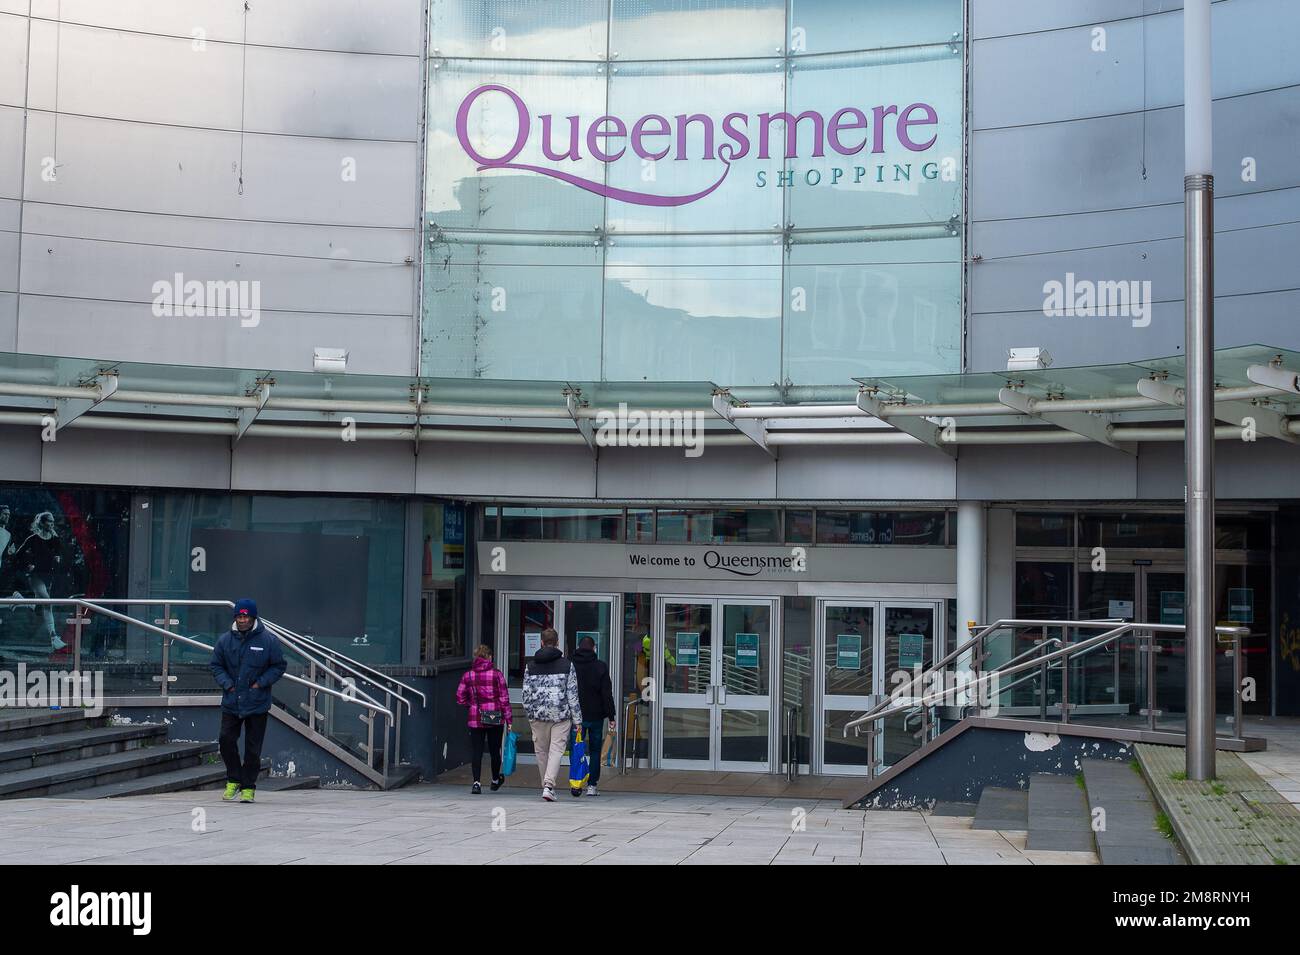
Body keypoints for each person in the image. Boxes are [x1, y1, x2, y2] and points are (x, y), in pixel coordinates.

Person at [209, 599, 286, 803]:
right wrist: (228, 685)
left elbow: (278, 666)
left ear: (253, 618)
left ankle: (248, 787)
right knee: (226, 740)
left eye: (246, 617)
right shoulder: (225, 640)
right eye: (239, 616)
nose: (243, 620)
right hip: (232, 700)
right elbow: (216, 665)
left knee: (253, 748)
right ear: (235, 617)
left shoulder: (268, 640)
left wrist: (260, 684)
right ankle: (233, 779)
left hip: (257, 702)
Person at [521, 628, 581, 802]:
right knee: (556, 751)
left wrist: (530, 714)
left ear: (541, 642)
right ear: (557, 643)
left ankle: (546, 786)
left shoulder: (530, 666)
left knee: (541, 752)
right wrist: (577, 720)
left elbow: (526, 694)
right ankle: (548, 786)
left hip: (538, 715)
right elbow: (572, 694)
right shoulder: (567, 665)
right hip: (560, 715)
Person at [455, 644, 511, 794]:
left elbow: (459, 697)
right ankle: (494, 779)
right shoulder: (497, 674)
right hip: (495, 718)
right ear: (489, 657)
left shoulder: (468, 675)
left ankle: (476, 782)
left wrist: (471, 705)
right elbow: (504, 698)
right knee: (494, 750)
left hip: (475, 717)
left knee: (477, 751)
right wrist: (509, 719)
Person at [9, 512, 64, 650]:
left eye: (53, 522)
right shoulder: (32, 539)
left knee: (40, 609)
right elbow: (18, 556)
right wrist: (28, 564)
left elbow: (59, 555)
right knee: (47, 602)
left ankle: (19, 600)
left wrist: (57, 559)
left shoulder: (55, 539)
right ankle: (54, 638)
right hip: (35, 576)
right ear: (42, 522)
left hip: (48, 577)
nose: (52, 524)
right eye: (49, 521)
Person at [569, 636, 616, 797]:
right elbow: (606, 694)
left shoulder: (571, 666)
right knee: (595, 751)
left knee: (577, 750)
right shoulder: (600, 666)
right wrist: (611, 716)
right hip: (596, 716)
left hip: (576, 717)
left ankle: (576, 784)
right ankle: (592, 785)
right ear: (593, 648)